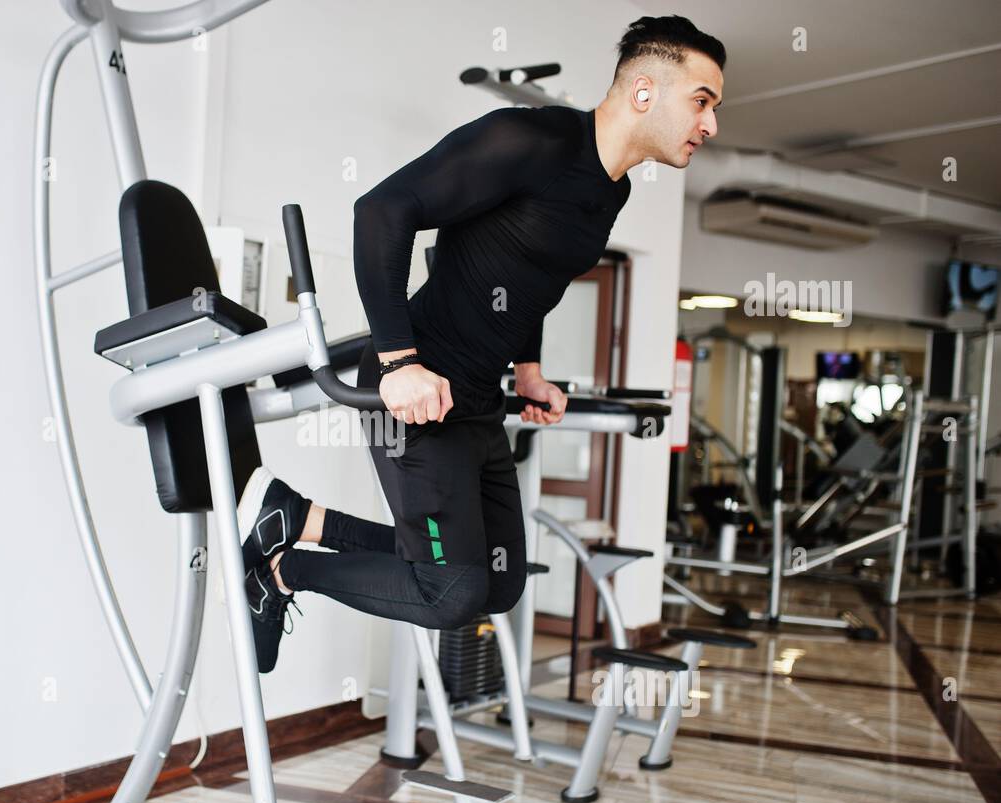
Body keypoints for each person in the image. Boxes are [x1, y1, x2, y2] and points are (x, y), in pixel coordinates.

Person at [238, 15, 726, 672]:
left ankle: (295, 516)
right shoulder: (528, 140)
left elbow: (532, 276)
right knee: (450, 591)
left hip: (474, 397)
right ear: (645, 91)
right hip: (417, 388)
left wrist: (528, 368)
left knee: (499, 579)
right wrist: (399, 362)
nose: (710, 124)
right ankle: (278, 570)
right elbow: (381, 212)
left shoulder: (612, 189)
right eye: (702, 101)